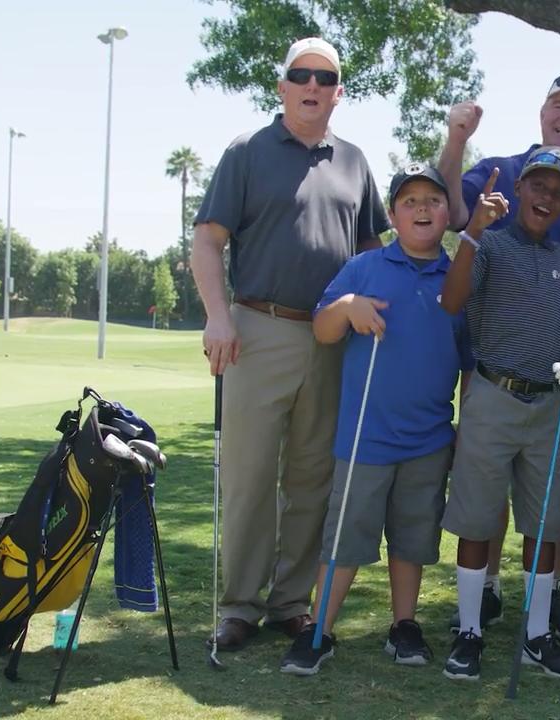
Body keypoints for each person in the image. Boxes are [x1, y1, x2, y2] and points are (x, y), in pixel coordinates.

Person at [192, 37, 390, 652]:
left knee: (311, 477)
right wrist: (217, 317)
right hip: (258, 329)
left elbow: (373, 255)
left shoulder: (355, 161)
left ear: (338, 92)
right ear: (282, 86)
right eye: (300, 75)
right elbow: (207, 241)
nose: (312, 85)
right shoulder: (247, 151)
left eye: (324, 77)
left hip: (332, 337)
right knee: (251, 475)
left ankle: (289, 602)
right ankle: (240, 606)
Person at [437, 73, 560, 638]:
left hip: (555, 385)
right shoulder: (497, 198)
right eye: (558, 105)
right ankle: (481, 607)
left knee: (551, 498)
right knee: (482, 494)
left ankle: (542, 612)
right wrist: (458, 151)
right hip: (491, 377)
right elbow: (454, 231)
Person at [279, 164, 473, 676]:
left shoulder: (458, 277)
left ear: (447, 213)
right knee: (343, 541)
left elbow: (469, 362)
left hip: (430, 439)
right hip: (366, 437)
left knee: (412, 540)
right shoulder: (364, 267)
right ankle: (320, 630)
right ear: (392, 215)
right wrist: (347, 305)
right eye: (409, 202)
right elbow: (323, 331)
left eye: (433, 200)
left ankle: (404, 625)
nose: (422, 209)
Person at [438, 147, 560, 682]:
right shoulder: (491, 245)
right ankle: (470, 631)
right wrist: (473, 231)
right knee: (478, 519)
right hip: (491, 394)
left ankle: (535, 635)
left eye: (558, 193)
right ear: (522, 189)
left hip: (548, 403)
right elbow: (452, 301)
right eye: (539, 187)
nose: (546, 198)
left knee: (544, 524)